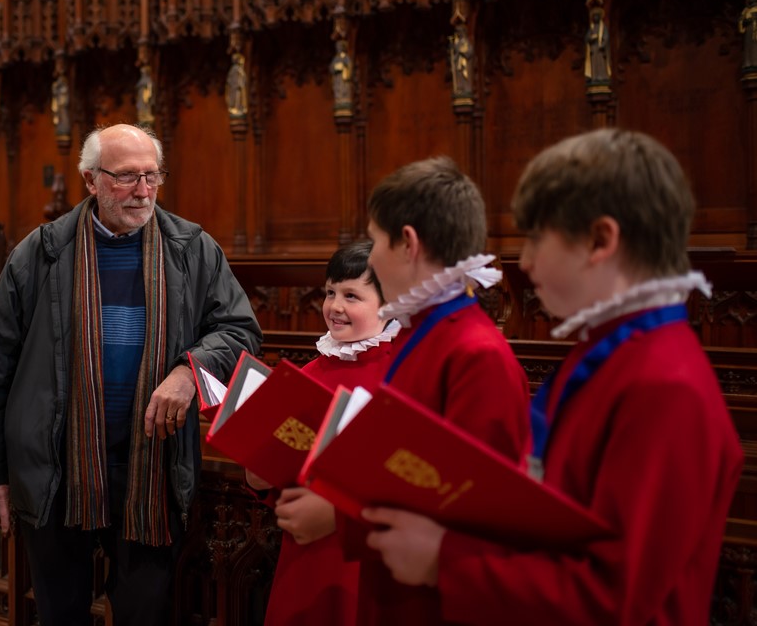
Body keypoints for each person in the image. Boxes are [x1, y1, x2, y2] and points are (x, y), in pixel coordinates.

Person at [364, 129, 743, 624]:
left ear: (601, 240)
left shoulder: (665, 384)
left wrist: (446, 561)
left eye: (538, 237)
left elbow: (611, 597)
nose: (523, 261)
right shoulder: (614, 354)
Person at [0, 123, 262, 626]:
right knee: (61, 614)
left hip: (150, 466)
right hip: (56, 469)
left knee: (144, 612)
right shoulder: (40, 253)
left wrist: (191, 372)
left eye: (152, 176)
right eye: (126, 177)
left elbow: (239, 332)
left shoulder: (190, 248)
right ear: (89, 180)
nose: (143, 191)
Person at [353, 155, 531, 624]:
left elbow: (485, 515)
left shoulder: (475, 353)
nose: (369, 259)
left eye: (374, 241)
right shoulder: (422, 333)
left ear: (407, 243)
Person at [245, 241, 400, 626]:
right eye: (330, 292)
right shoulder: (306, 375)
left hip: (364, 550)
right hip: (305, 549)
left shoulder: (403, 372)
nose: (335, 306)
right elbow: (265, 472)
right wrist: (258, 463)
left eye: (352, 295)